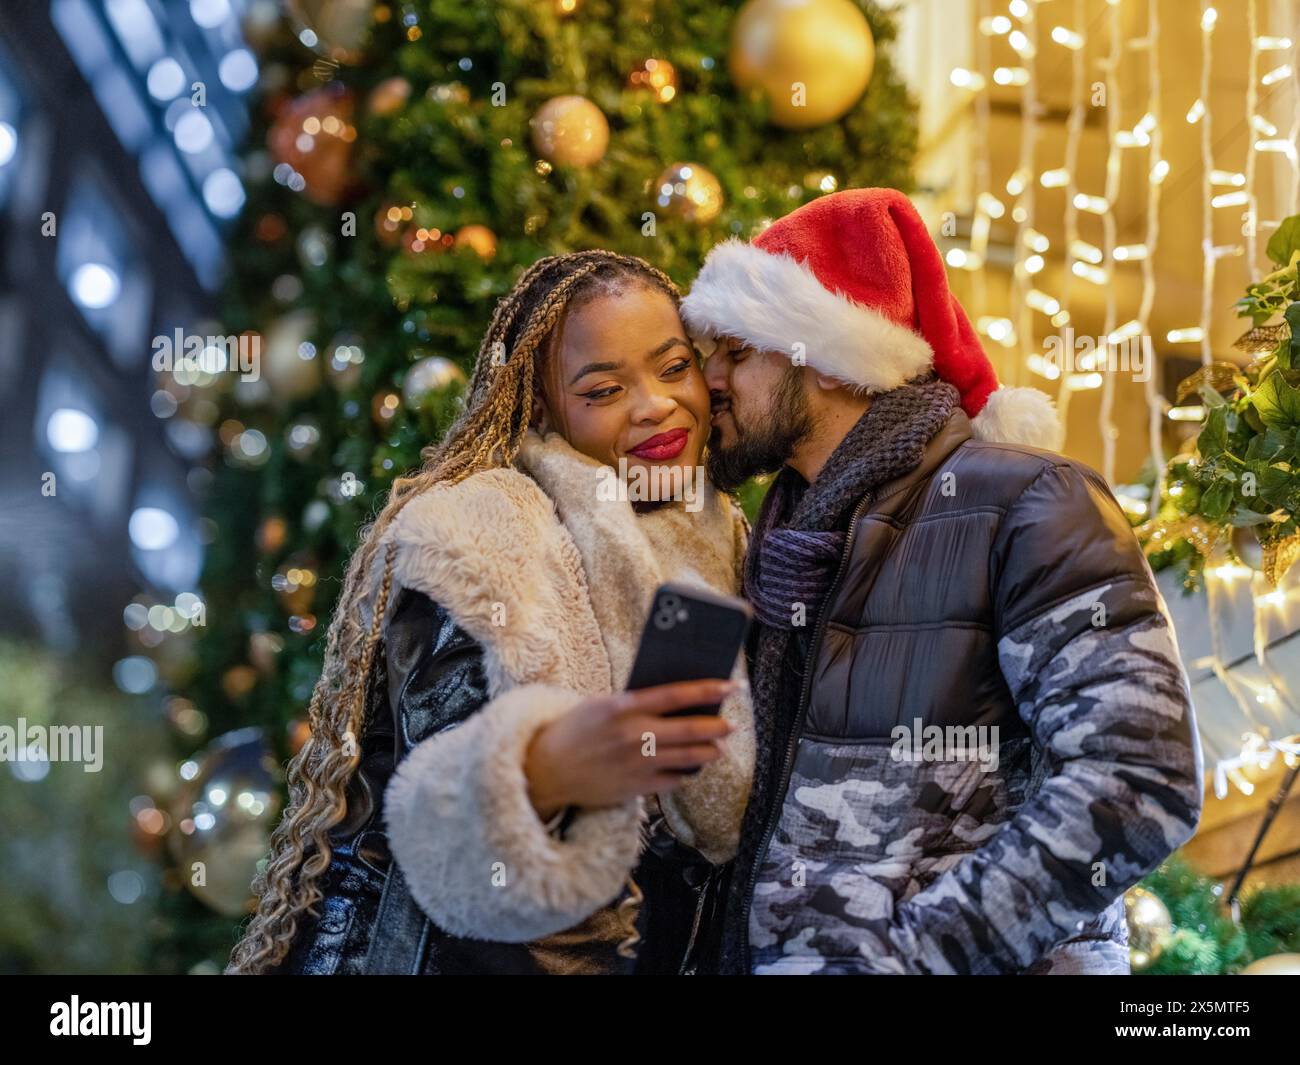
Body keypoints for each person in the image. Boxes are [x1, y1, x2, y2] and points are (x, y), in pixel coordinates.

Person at [679, 187, 1204, 975]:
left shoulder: (1025, 501)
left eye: (737, 348)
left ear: (823, 355)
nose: (707, 377)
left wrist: (914, 959)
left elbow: (1139, 775)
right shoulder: (776, 548)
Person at [226, 250, 754, 975]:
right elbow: (441, 809)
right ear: (539, 405)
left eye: (672, 368)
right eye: (603, 389)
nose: (655, 405)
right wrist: (545, 768)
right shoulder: (474, 539)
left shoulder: (725, 538)